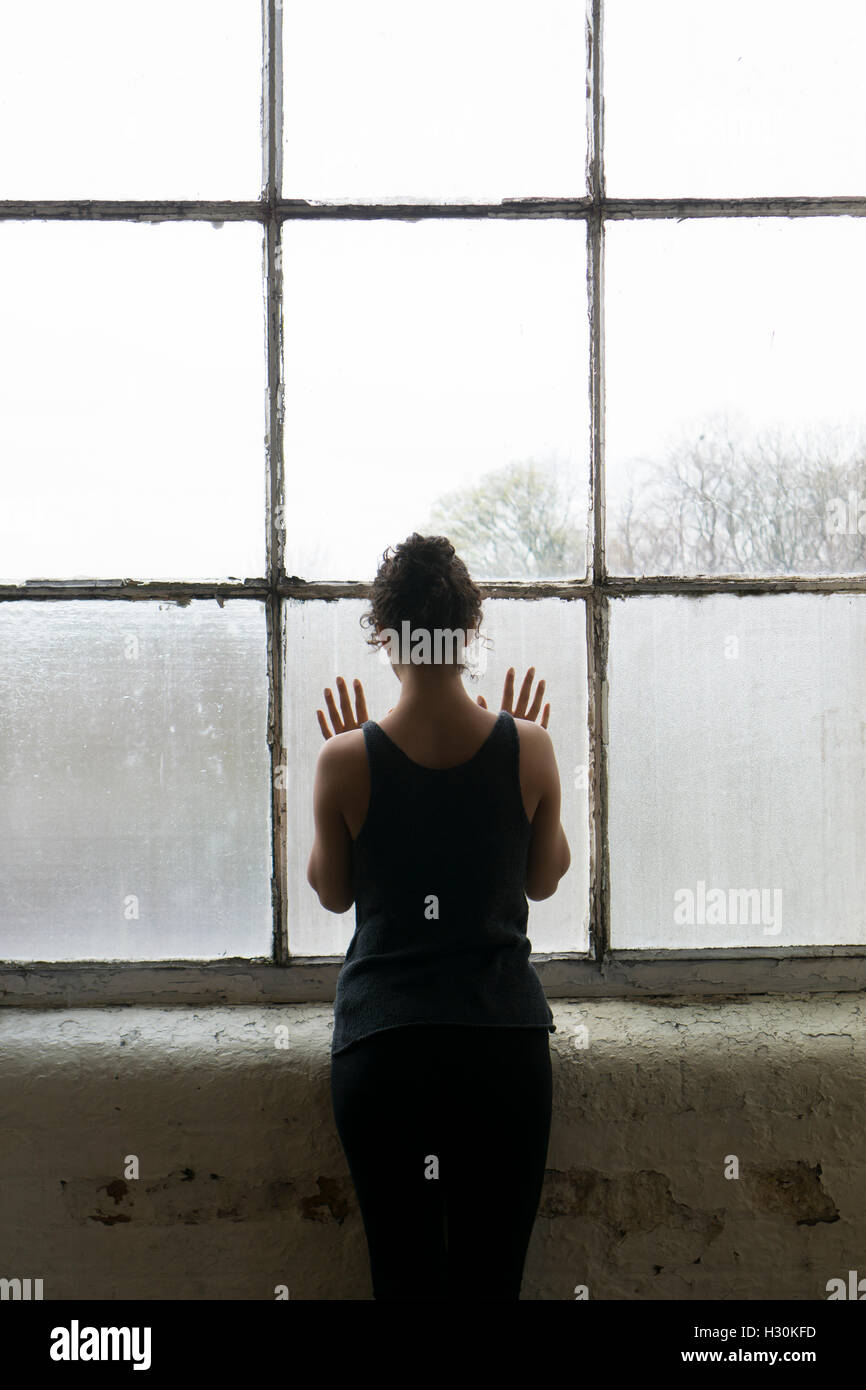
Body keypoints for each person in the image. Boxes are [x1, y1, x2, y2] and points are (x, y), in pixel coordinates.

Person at [306, 532, 571, 1300]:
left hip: (384, 1052)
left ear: (385, 638)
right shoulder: (532, 748)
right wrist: (516, 767)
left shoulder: (344, 761)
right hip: (502, 1048)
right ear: (470, 634)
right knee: (491, 1288)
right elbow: (544, 881)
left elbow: (333, 892)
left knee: (406, 1283)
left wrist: (340, 776)